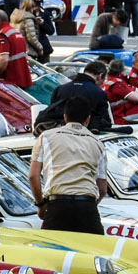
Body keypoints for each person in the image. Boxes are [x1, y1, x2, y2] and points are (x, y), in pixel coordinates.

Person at [28, 99, 106, 234]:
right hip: (87, 205)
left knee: (55, 252)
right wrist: (89, 204)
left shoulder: (46, 137)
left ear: (65, 117)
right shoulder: (97, 143)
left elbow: (33, 175)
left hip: (57, 205)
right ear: (87, 119)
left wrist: (41, 205)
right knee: (92, 252)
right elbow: (102, 189)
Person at [45, 62, 111, 133]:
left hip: (60, 132)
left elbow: (52, 112)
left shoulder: (59, 89)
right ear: (100, 76)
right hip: (87, 135)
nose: (102, 83)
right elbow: (104, 122)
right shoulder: (99, 93)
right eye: (103, 80)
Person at [0, 10, 33, 91]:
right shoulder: (16, 32)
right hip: (22, 78)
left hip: (11, 80)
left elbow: (4, 59)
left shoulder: (2, 35)